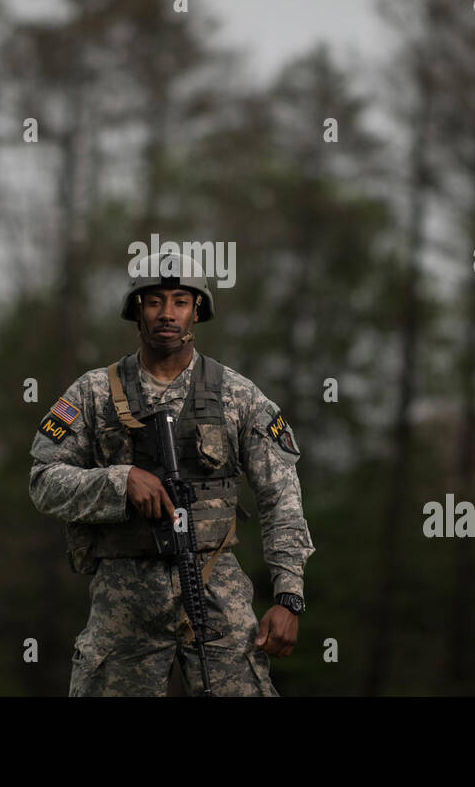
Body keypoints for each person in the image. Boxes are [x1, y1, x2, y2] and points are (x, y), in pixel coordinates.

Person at [29, 252, 315, 696]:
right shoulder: (94, 392)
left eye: (180, 301)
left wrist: (288, 597)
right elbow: (43, 481)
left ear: (197, 311)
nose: (167, 313)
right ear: (136, 311)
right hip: (124, 598)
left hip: (213, 585)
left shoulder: (237, 394)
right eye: (154, 301)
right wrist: (119, 481)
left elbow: (282, 500)